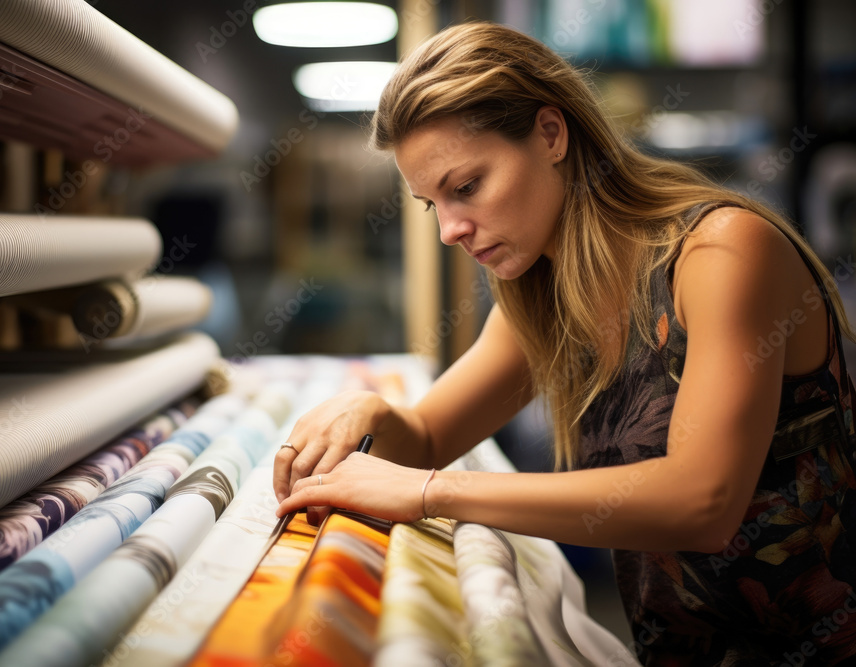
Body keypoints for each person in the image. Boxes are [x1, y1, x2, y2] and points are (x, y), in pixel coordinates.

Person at [273, 20, 856, 665]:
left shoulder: (719, 252)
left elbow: (703, 500)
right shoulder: (546, 296)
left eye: (465, 187)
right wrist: (371, 416)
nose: (449, 230)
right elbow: (428, 437)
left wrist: (433, 493)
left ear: (551, 134)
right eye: (430, 203)